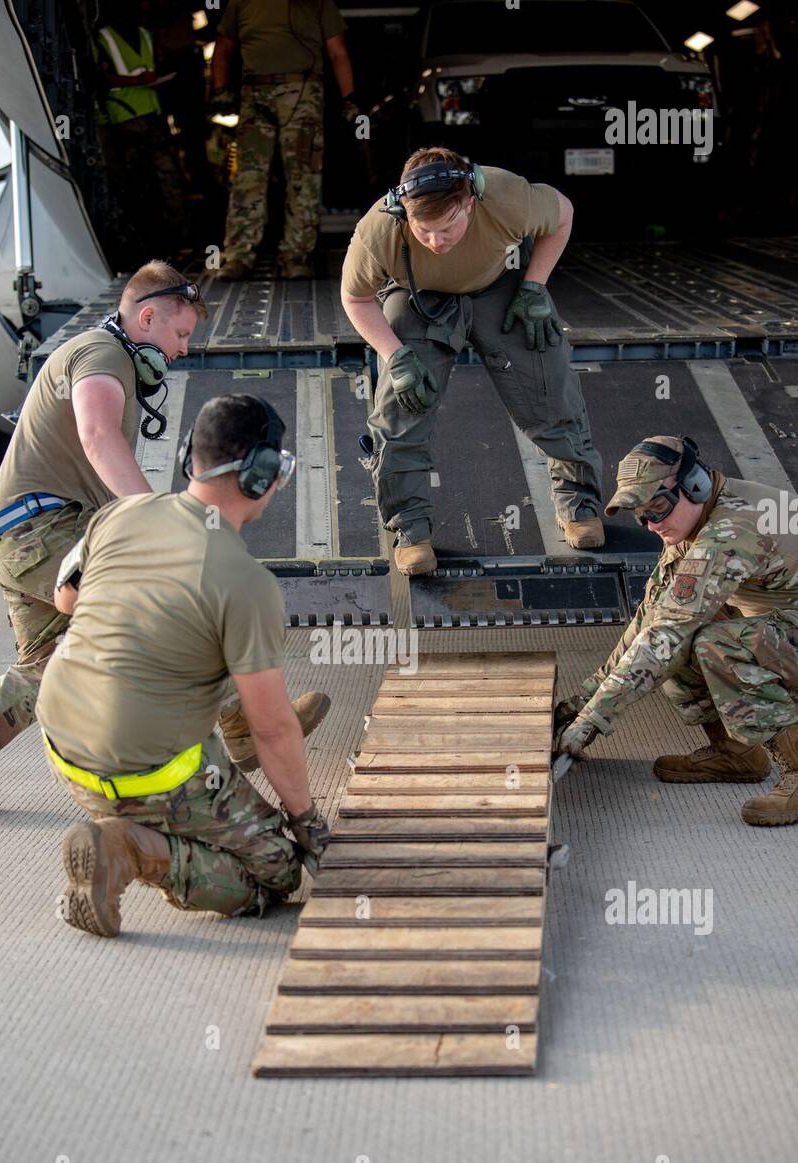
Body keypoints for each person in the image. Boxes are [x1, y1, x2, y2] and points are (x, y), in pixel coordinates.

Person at [35, 394, 331, 936]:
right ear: (263, 475)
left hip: (62, 744)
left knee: (189, 673)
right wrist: (305, 821)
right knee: (276, 873)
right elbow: (270, 727)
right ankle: (131, 849)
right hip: (148, 770)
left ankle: (136, 822)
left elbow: (65, 599)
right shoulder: (246, 583)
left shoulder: (120, 513)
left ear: (187, 461)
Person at [0, 262, 205, 819]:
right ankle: (246, 729)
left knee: (49, 668)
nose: (181, 352)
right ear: (146, 316)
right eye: (180, 336)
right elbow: (98, 434)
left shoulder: (111, 357)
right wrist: (156, 518)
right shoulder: (102, 354)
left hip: (22, 534)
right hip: (41, 531)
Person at [340, 147, 605, 575]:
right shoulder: (379, 231)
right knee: (401, 406)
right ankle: (412, 531)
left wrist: (535, 286)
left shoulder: (504, 196)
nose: (434, 241)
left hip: (500, 284)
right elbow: (354, 298)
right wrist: (395, 356)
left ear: (468, 201)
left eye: (445, 228)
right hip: (419, 296)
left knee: (549, 391)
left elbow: (563, 214)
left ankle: (579, 505)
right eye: (422, 230)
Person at [556, 435, 798, 827]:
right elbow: (652, 620)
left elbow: (665, 636)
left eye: (658, 509)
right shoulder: (694, 524)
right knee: (681, 638)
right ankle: (736, 752)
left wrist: (595, 718)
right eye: (643, 517)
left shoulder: (731, 530)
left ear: (695, 486)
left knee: (717, 644)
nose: (653, 525)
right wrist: (584, 700)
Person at [210, 0, 357, 279]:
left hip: (303, 91)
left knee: (304, 177)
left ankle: (296, 255)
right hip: (255, 93)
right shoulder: (240, 3)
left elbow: (338, 52)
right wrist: (220, 91)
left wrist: (349, 99)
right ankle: (239, 256)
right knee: (248, 177)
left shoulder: (317, 3)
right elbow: (223, 48)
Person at [93, 0, 188, 258]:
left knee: (168, 179)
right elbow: (98, 76)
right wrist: (133, 81)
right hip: (124, 117)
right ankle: (149, 245)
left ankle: (177, 241)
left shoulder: (146, 34)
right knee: (139, 184)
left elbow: (159, 63)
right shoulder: (103, 37)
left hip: (152, 114)